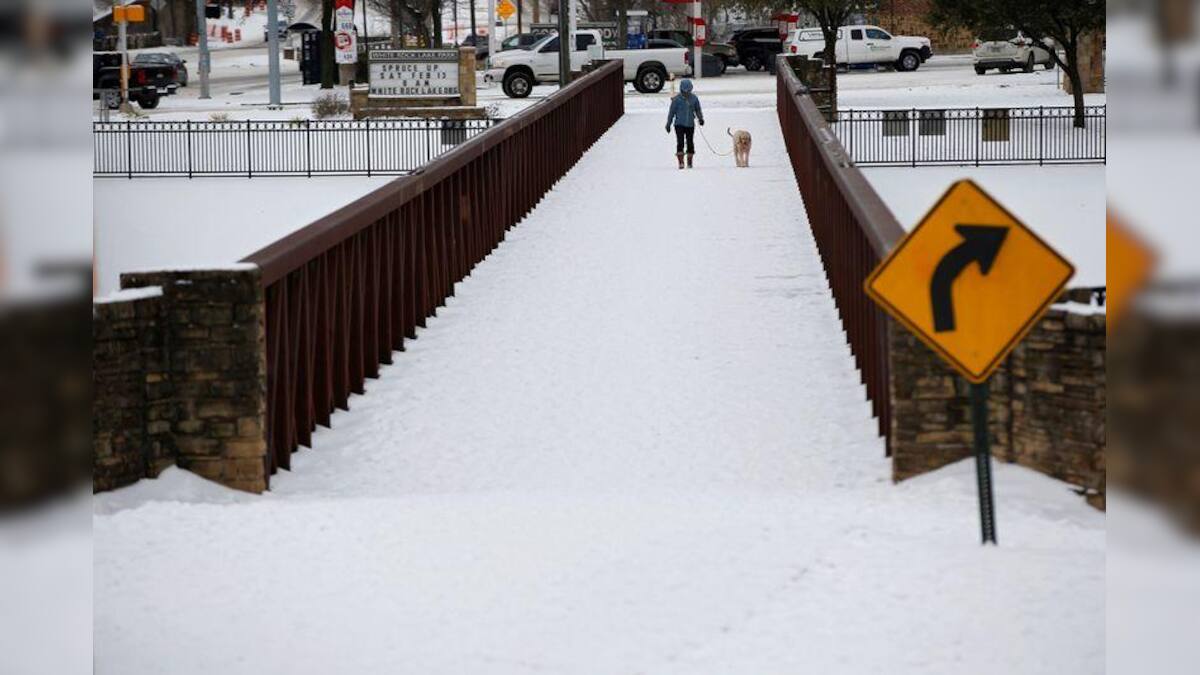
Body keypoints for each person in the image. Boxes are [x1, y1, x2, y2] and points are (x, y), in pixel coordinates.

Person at [665, 79, 704, 169]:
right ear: (681, 90)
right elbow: (671, 113)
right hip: (679, 124)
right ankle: (681, 161)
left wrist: (700, 118)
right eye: (684, 91)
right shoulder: (676, 100)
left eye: (688, 91)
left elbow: (698, 109)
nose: (686, 93)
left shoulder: (694, 98)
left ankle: (689, 161)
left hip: (690, 124)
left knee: (690, 142)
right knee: (680, 142)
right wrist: (668, 124)